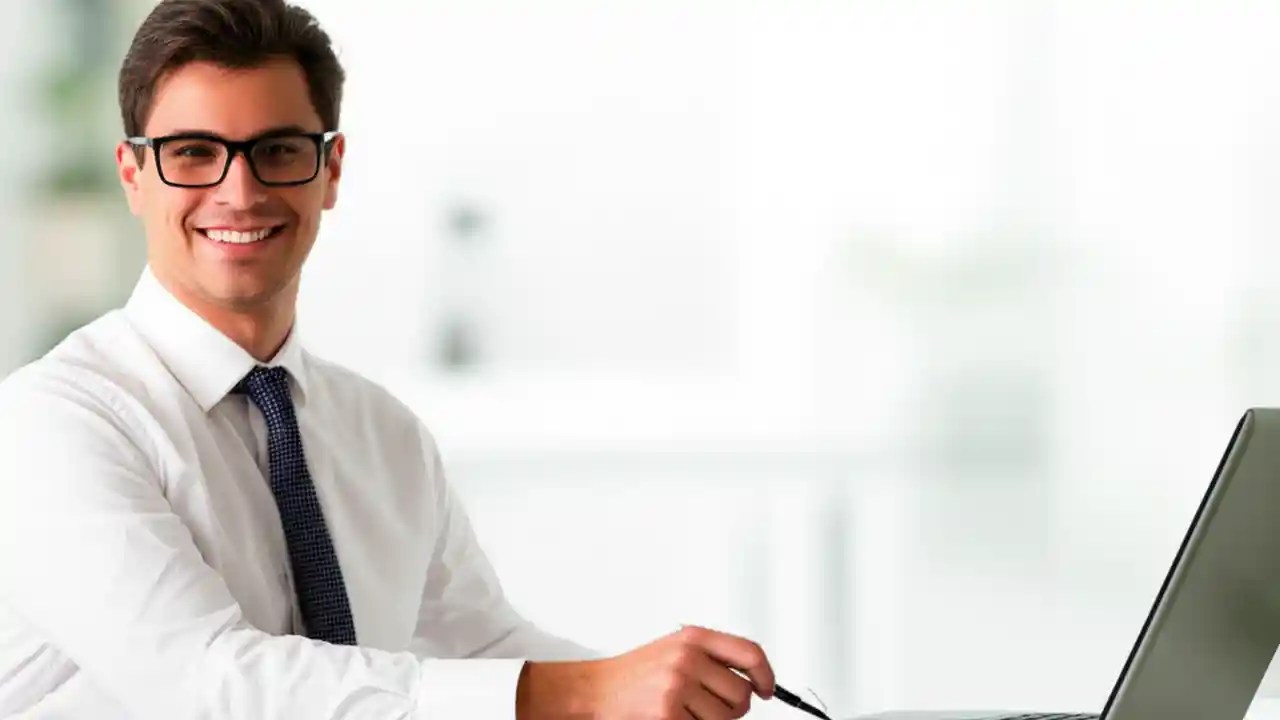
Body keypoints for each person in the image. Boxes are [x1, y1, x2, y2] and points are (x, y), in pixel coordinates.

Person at [0, 0, 779, 718]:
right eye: (194, 153)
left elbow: (480, 651)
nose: (238, 191)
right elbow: (208, 682)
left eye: (277, 150)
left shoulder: (382, 432)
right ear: (133, 175)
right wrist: (584, 691)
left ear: (331, 170)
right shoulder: (54, 424)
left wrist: (660, 690)